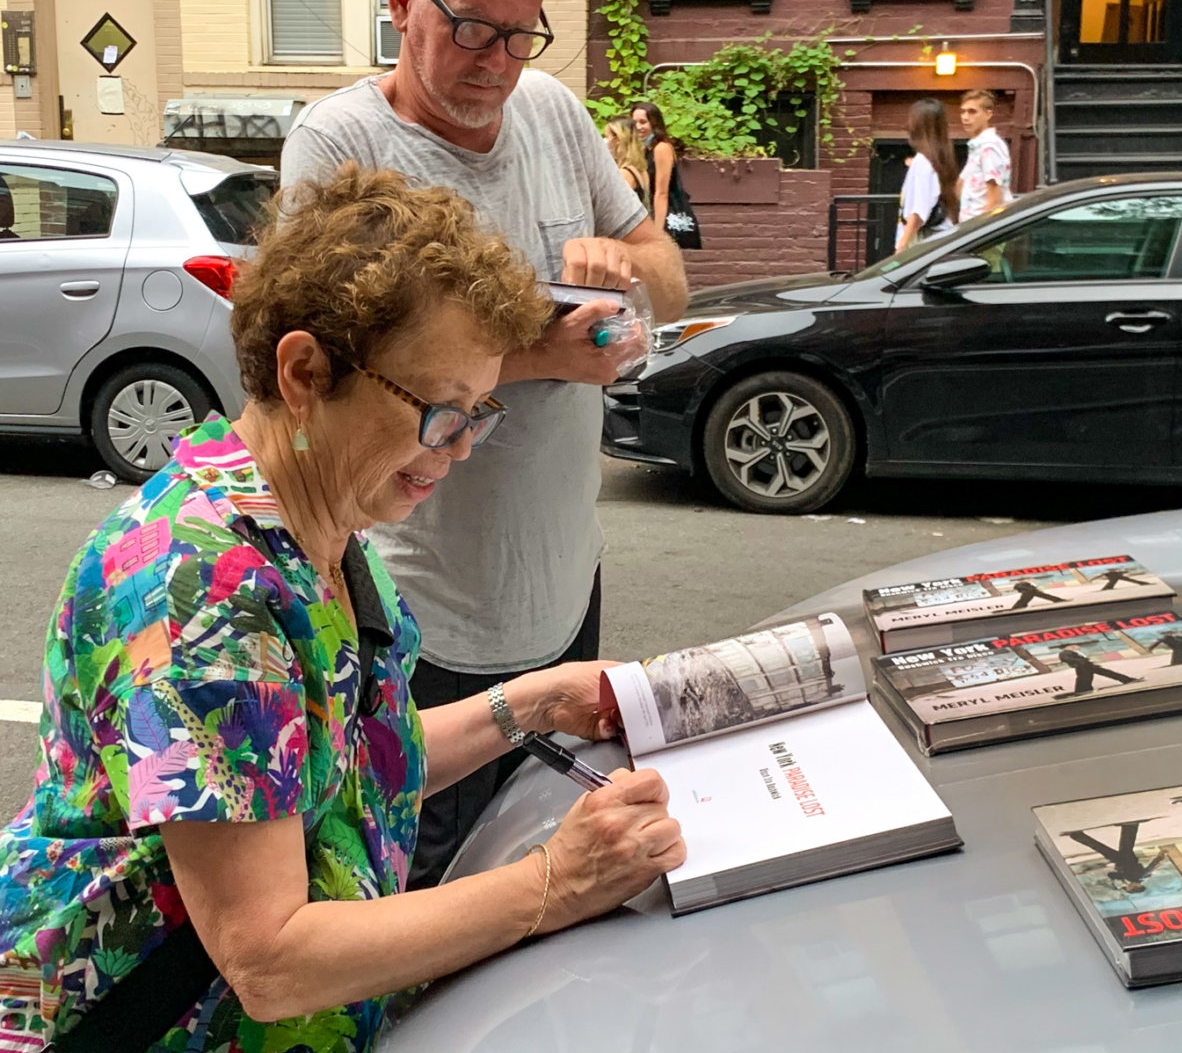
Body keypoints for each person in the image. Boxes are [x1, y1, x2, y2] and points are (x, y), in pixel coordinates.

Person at [0, 166, 685, 1052]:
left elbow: (343, 763)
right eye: (439, 411)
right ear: (305, 372)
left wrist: (537, 702)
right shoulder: (199, 592)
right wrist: (556, 881)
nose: (460, 448)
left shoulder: (307, 520)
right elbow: (270, 958)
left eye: (478, 413)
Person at [279, 0, 688, 891]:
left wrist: (627, 280)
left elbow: (668, 277)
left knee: (538, 840)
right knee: (418, 884)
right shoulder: (339, 147)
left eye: (520, 34)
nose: (498, 62)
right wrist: (550, 356)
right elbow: (341, 382)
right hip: (421, 610)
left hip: (564, 587)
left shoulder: (550, 112)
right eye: (470, 27)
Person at [631, 100, 701, 247]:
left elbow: (661, 193)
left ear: (654, 123)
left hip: (666, 214)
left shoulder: (661, 148)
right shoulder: (646, 149)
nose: (638, 127)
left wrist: (658, 232)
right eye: (634, 122)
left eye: (643, 122)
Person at [895, 97, 960, 254]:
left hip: (922, 241)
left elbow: (918, 212)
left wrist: (901, 247)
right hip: (941, 237)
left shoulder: (922, 162)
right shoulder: (942, 159)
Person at [957, 89, 1014, 222]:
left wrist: (984, 228)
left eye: (972, 111)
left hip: (980, 225)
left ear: (988, 114)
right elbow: (960, 185)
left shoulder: (989, 147)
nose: (965, 117)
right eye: (963, 111)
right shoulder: (978, 145)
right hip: (970, 223)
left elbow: (995, 196)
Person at [1066, 823, 1167, 893]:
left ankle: (1130, 827)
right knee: (1101, 847)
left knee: (1124, 844)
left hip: (1124, 860)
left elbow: (1112, 875)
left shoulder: (1136, 878)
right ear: (1136, 886)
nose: (1127, 886)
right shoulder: (1140, 877)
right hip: (1123, 860)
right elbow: (1152, 867)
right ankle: (1077, 836)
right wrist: (1160, 856)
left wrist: (1161, 857)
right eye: (1128, 888)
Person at [1055, 645, 1142, 695]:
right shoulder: (1064, 653)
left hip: (1086, 666)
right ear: (1067, 647)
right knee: (1085, 678)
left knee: (1106, 673)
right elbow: (1067, 659)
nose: (1075, 647)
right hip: (1082, 667)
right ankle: (1082, 690)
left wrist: (1086, 662)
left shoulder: (1070, 652)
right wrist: (1081, 661)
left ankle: (1127, 680)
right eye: (1073, 646)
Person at [605, 114, 649, 208]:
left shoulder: (625, 173)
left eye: (607, 136)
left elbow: (617, 207)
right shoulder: (640, 168)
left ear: (617, 138)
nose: (606, 140)